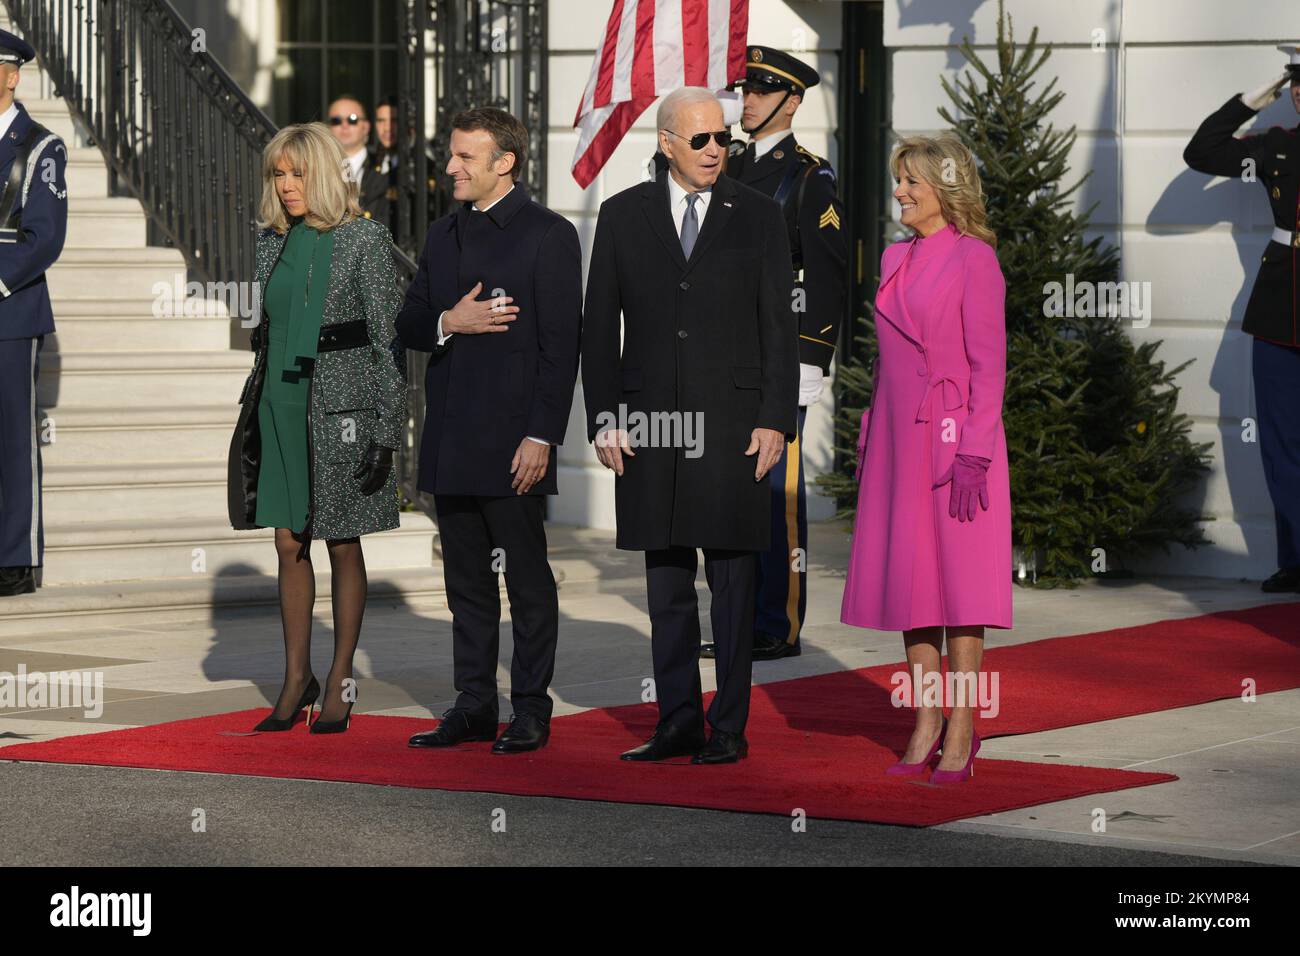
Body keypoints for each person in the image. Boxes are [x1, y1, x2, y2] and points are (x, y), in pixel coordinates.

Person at [583, 87, 798, 765]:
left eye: (723, 138)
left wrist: (775, 420)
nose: (715, 150)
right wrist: (605, 418)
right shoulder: (623, 215)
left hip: (734, 425)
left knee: (733, 585)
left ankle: (728, 726)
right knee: (667, 583)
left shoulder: (759, 215)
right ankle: (677, 720)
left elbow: (779, 328)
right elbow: (598, 326)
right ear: (666, 143)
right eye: (700, 139)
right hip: (651, 425)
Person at [398, 107, 581, 755]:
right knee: (466, 584)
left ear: (505, 163)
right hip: (452, 437)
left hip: (514, 445)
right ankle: (474, 704)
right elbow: (409, 322)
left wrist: (542, 436)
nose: (450, 167)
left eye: (464, 157)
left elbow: (562, 349)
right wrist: (450, 320)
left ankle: (530, 707)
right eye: (451, 154)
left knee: (527, 582)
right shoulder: (443, 233)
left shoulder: (549, 234)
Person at [840, 134, 1011, 785]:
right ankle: (926, 721)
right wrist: (869, 432)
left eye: (912, 181)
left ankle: (963, 726)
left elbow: (989, 367)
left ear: (946, 188)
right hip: (897, 442)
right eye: (899, 180)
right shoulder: (894, 256)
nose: (900, 192)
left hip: (957, 443)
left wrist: (975, 451)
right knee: (913, 588)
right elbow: (888, 363)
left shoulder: (975, 259)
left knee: (960, 590)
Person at [228, 122, 407, 734]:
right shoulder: (270, 242)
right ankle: (295, 678)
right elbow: (268, 329)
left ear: (325, 173)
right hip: (280, 402)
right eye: (278, 174)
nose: (285, 185)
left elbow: (388, 341)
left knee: (341, 540)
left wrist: (387, 430)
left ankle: (340, 678)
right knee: (288, 541)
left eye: (297, 173)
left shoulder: (365, 239)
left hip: (341, 409)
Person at [700, 45, 847, 662]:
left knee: (773, 497)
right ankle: (733, 618)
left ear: (791, 102)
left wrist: (812, 357)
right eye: (745, 89)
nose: (748, 100)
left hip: (778, 358)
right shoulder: (723, 163)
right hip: (721, 355)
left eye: (761, 91)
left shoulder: (809, 177)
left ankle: (775, 622)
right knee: (725, 489)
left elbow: (828, 274)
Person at [1184, 46, 1300, 594]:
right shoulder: (1277, 146)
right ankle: (1294, 559)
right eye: (1296, 83)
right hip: (1279, 310)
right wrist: (1255, 98)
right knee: (1281, 441)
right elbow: (1201, 152)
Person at [0, 29, 67, 598]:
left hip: (10, 311)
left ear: (11, 76)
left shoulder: (41, 146)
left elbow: (44, 238)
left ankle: (16, 558)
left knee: (14, 437)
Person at [326, 95, 391, 230]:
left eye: (352, 119)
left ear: (366, 127)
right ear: (328, 127)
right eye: (336, 121)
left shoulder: (384, 165)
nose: (344, 126)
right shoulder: (317, 167)